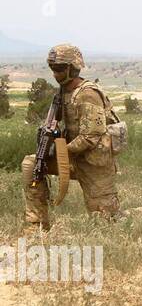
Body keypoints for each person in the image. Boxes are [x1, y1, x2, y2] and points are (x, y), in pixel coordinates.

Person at [21, 44, 121, 231]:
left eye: (59, 69)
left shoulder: (87, 94)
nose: (54, 74)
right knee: (31, 164)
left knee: (107, 221)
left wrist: (61, 150)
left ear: (72, 68)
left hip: (94, 164)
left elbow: (91, 137)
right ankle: (37, 225)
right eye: (52, 68)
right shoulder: (63, 93)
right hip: (72, 159)